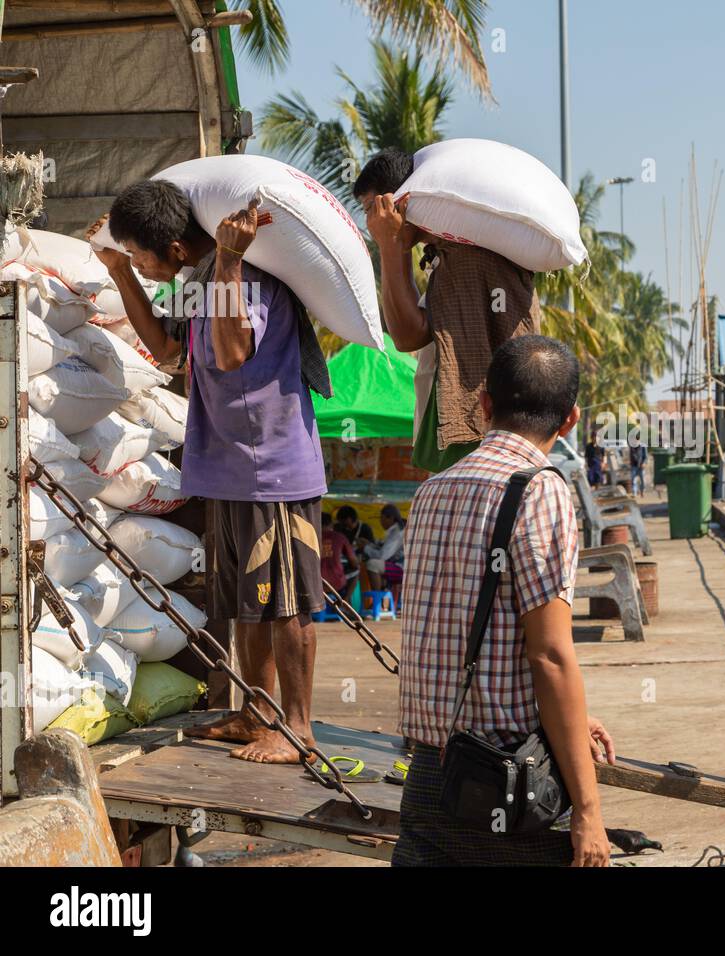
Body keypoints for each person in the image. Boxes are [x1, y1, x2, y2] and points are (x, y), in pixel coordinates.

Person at [91, 180, 330, 764]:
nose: (144, 267)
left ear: (175, 247)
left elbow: (230, 353)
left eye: (143, 256)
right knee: (246, 600)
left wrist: (227, 257)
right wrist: (121, 274)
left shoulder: (240, 277)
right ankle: (255, 711)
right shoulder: (199, 283)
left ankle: (298, 729)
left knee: (287, 601)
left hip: (271, 468)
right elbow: (169, 352)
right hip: (225, 468)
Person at [394, 334, 612, 866]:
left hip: (428, 772)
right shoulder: (541, 490)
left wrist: (572, 718)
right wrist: (587, 810)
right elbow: (550, 654)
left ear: (485, 404)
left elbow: (462, 622)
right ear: (571, 419)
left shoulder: (432, 490)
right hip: (504, 775)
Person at [353, 148, 539, 475]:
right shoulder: (449, 255)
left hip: (474, 439)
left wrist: (390, 246)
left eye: (372, 209)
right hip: (482, 434)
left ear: (396, 204)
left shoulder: (465, 260)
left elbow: (408, 336)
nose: (371, 224)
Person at [319, 510, 357, 596]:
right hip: (337, 584)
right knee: (356, 572)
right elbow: (354, 563)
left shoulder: (310, 537)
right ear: (331, 524)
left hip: (315, 584)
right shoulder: (340, 537)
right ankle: (345, 603)